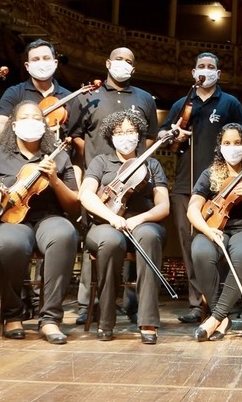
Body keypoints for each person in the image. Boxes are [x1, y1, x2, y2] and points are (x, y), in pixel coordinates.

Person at [67, 45, 158, 324]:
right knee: (98, 237)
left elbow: (150, 138)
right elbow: (76, 135)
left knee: (134, 236)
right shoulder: (88, 95)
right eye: (118, 59)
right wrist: (96, 159)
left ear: (134, 67)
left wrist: (132, 168)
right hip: (100, 179)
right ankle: (89, 304)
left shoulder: (144, 98)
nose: (123, 63)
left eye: (128, 60)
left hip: (134, 182)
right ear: (108, 63)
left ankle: (131, 304)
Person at [158, 52, 242, 324]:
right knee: (189, 244)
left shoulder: (230, 102)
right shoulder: (182, 103)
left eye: (210, 67)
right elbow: (162, 134)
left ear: (218, 73)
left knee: (219, 241)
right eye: (201, 67)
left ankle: (222, 303)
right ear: (193, 72)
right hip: (186, 182)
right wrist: (172, 134)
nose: (205, 71)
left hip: (222, 187)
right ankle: (197, 303)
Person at [0, 100, 80, 344]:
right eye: (25, 118)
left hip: (48, 217)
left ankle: (50, 319)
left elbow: (73, 205)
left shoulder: (59, 156)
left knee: (64, 235)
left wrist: (55, 179)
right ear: (14, 125)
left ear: (45, 125)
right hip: (11, 219)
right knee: (10, 243)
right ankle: (12, 315)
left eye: (37, 119)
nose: (32, 122)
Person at [76, 109, 170, 344]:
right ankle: (105, 319)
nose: (125, 136)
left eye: (130, 131)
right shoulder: (101, 162)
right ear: (111, 136)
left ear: (139, 134)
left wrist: (140, 219)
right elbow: (85, 195)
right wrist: (111, 217)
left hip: (142, 222)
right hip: (105, 223)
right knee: (111, 241)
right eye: (119, 132)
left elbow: (163, 206)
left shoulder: (152, 164)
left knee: (149, 237)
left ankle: (148, 320)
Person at [186, 123, 242, 341]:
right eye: (227, 143)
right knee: (200, 250)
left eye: (237, 143)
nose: (232, 147)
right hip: (215, 228)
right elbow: (192, 209)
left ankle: (215, 317)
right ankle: (223, 318)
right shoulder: (210, 174)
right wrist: (207, 231)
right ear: (220, 146)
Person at [0, 39, 72, 141]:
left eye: (46, 58)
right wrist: (25, 137)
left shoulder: (69, 97)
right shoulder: (14, 93)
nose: (41, 63)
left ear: (55, 63)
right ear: (27, 66)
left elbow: (77, 136)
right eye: (36, 59)